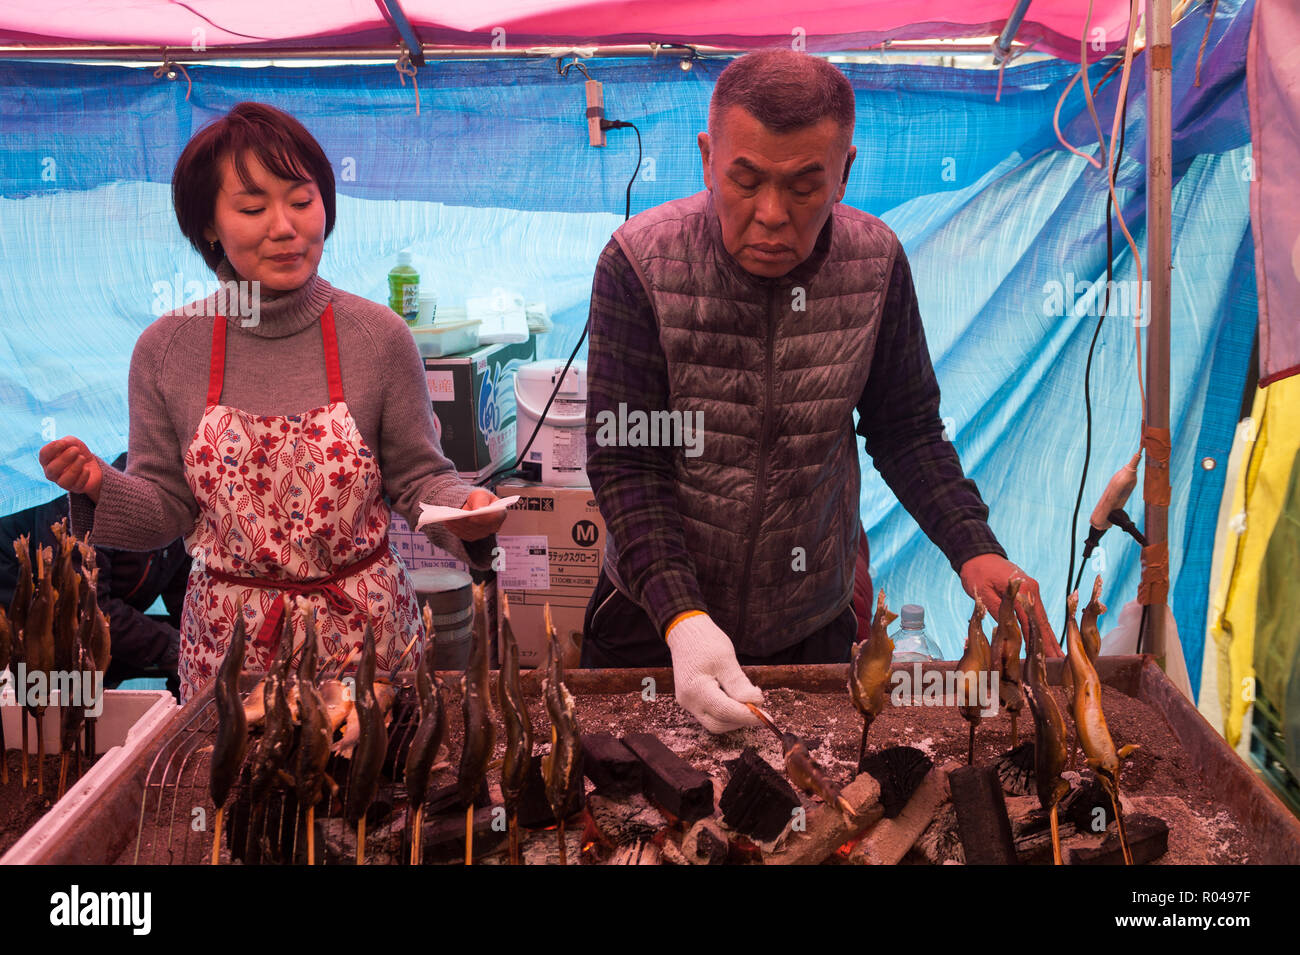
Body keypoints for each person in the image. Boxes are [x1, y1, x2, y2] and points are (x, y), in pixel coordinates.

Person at [582, 51, 1054, 734]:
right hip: (649, 619)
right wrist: (683, 617)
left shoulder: (877, 263)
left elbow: (906, 427)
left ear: (846, 172)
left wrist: (972, 544)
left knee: (811, 798)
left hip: (809, 619)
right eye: (746, 180)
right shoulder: (637, 263)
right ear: (708, 159)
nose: (771, 214)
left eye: (804, 185)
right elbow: (628, 462)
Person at [39, 102, 504, 701]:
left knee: (377, 788)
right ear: (209, 225)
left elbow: (418, 480)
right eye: (253, 208)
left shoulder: (378, 336)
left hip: (369, 647)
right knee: (238, 792)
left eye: (302, 201)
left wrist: (464, 504)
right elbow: (168, 509)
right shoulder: (166, 349)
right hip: (229, 653)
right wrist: (99, 483)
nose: (284, 227)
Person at [0, 456, 186, 692]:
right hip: (29, 623)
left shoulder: (179, 502)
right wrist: (169, 647)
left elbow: (184, 594)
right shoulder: (86, 497)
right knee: (49, 709)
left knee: (186, 642)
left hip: (94, 619)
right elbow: (83, 605)